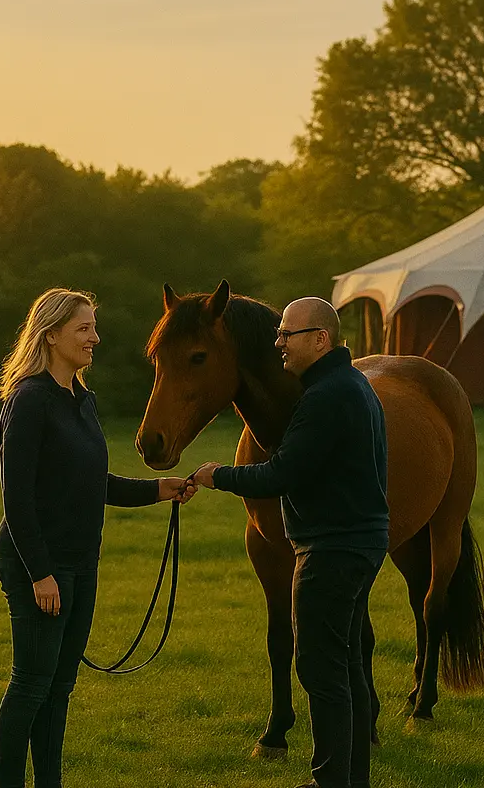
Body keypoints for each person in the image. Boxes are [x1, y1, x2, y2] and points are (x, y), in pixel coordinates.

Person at [0, 288, 194, 788]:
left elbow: (92, 483)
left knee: (60, 688)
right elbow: (15, 499)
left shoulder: (81, 401)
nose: (94, 338)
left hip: (81, 562)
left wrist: (158, 490)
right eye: (83, 328)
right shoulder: (29, 401)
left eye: (92, 327)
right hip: (37, 565)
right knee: (31, 685)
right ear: (52, 334)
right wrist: (40, 573)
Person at [191, 296, 388, 788]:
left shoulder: (323, 398)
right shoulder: (353, 385)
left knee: (321, 671)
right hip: (358, 541)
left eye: (288, 334)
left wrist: (220, 476)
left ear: (320, 340)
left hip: (331, 548)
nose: (278, 342)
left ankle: (330, 781)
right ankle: (348, 778)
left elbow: (283, 472)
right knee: (345, 669)